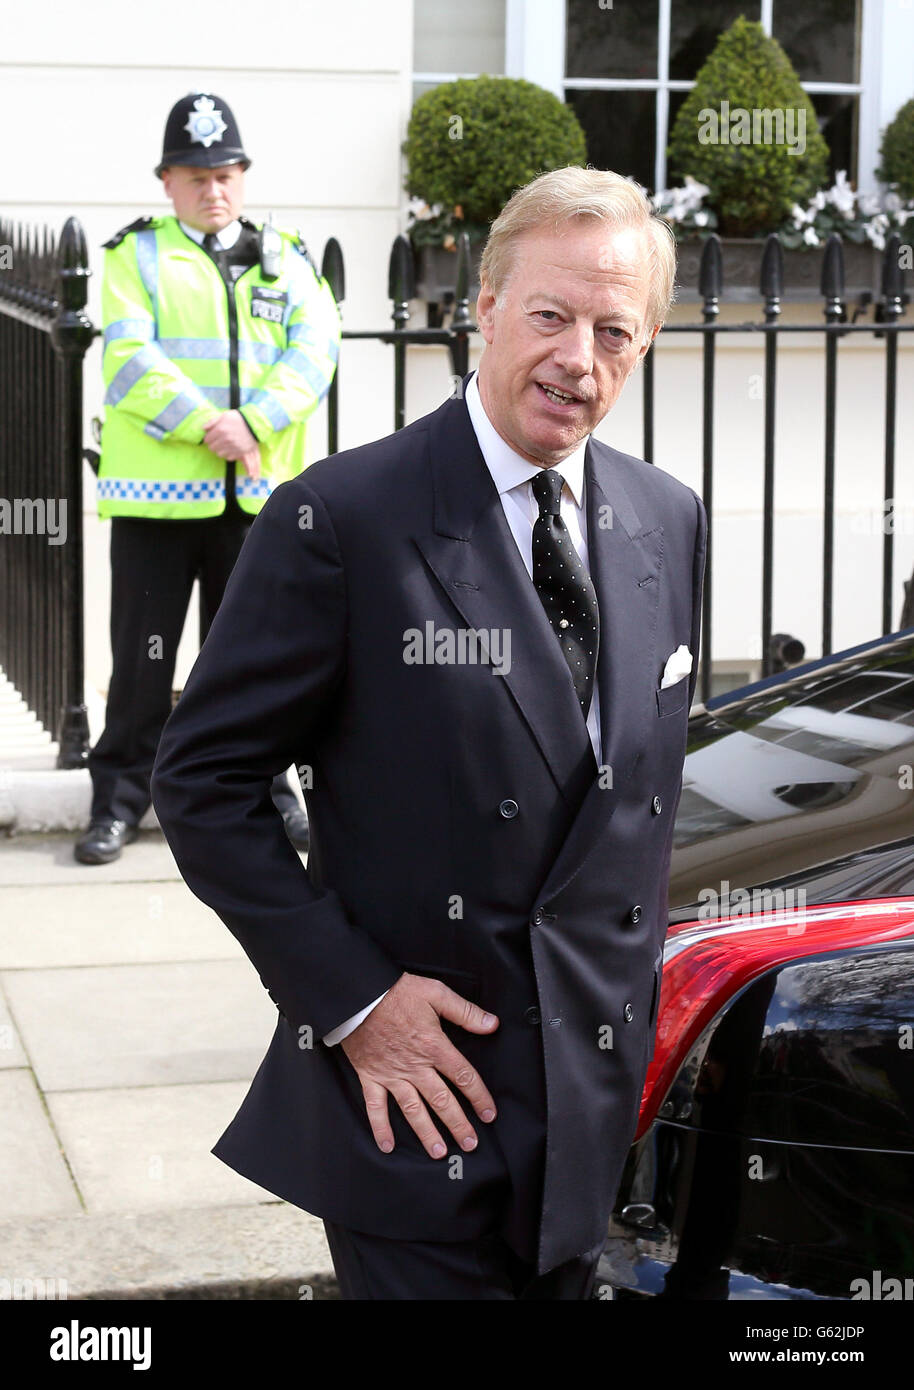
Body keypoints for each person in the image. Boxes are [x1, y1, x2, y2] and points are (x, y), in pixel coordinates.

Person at [150, 166, 707, 1300]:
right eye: (549, 316)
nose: (576, 361)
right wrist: (352, 1001)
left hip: (589, 1126)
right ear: (483, 306)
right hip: (415, 1116)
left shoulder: (667, 515)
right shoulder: (343, 518)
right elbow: (205, 781)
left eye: (614, 331)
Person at [75, 91, 341, 864]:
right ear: (166, 180)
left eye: (225, 173)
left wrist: (252, 422)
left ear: (244, 177)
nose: (212, 188)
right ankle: (119, 801)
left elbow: (314, 349)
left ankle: (267, 794)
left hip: (255, 499)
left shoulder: (286, 256)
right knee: (143, 659)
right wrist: (210, 424)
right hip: (157, 502)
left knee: (257, 663)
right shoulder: (135, 256)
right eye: (195, 175)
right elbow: (129, 359)